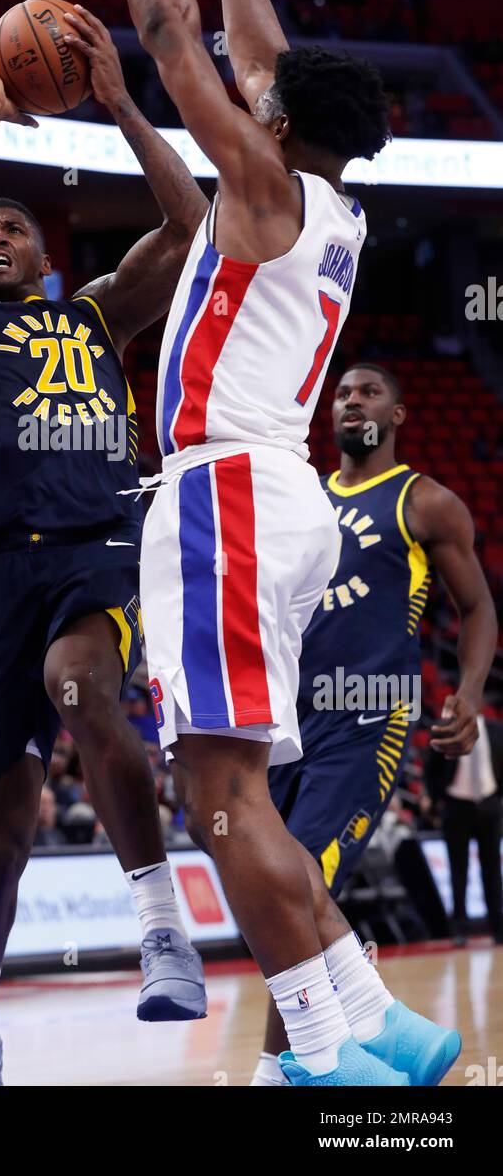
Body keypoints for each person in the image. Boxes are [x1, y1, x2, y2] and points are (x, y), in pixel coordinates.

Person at [114, 0, 453, 1086]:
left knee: (219, 797)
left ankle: (319, 1057)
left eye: (259, 96)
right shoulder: (326, 198)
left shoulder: (256, 185)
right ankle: (384, 1023)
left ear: (273, 123)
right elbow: (261, 54)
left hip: (224, 499)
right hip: (280, 500)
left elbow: (166, 38)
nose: (246, 88)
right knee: (242, 793)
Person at [0, 4, 210, 1084]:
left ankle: (161, 922)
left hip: (93, 550)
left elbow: (188, 224)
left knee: (85, 687)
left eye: (9, 232)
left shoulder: (96, 311)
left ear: (43, 253)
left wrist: (122, 101)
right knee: (4, 839)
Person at [256, 363, 498, 1083]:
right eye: (342, 393)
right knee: (274, 882)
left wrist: (470, 691)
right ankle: (379, 1031)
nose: (352, 400)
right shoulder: (305, 497)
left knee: (296, 876)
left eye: (369, 392)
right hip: (289, 716)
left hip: (369, 712)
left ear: (397, 414)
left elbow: (479, 608)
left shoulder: (425, 502)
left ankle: (286, 1066)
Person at [426, 714, 503, 946]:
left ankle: (498, 927)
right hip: (457, 804)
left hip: (489, 804)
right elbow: (431, 770)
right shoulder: (445, 729)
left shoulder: (496, 729)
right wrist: (439, 799)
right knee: (458, 870)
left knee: (492, 869)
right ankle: (460, 929)